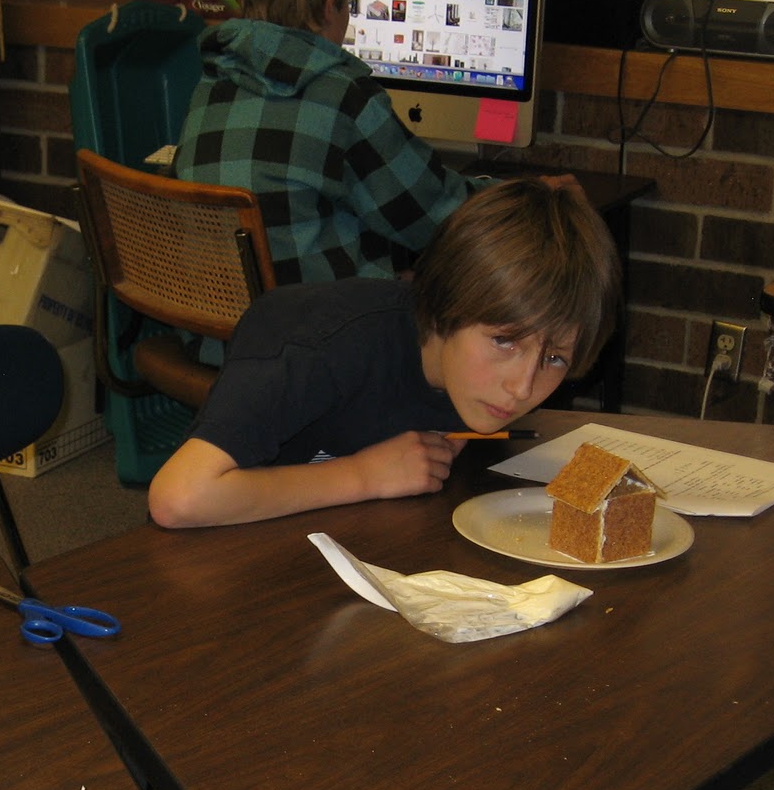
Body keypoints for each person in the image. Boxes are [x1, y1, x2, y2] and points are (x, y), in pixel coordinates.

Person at [147, 177, 621, 528]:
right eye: (504, 341)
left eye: (554, 359)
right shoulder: (329, 349)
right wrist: (363, 476)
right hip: (222, 550)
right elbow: (178, 499)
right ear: (448, 302)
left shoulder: (467, 371)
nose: (522, 387)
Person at [172, 0, 490, 287]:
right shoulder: (343, 96)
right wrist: (524, 193)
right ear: (331, 5)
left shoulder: (211, 80)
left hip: (218, 334)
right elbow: (436, 217)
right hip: (315, 335)